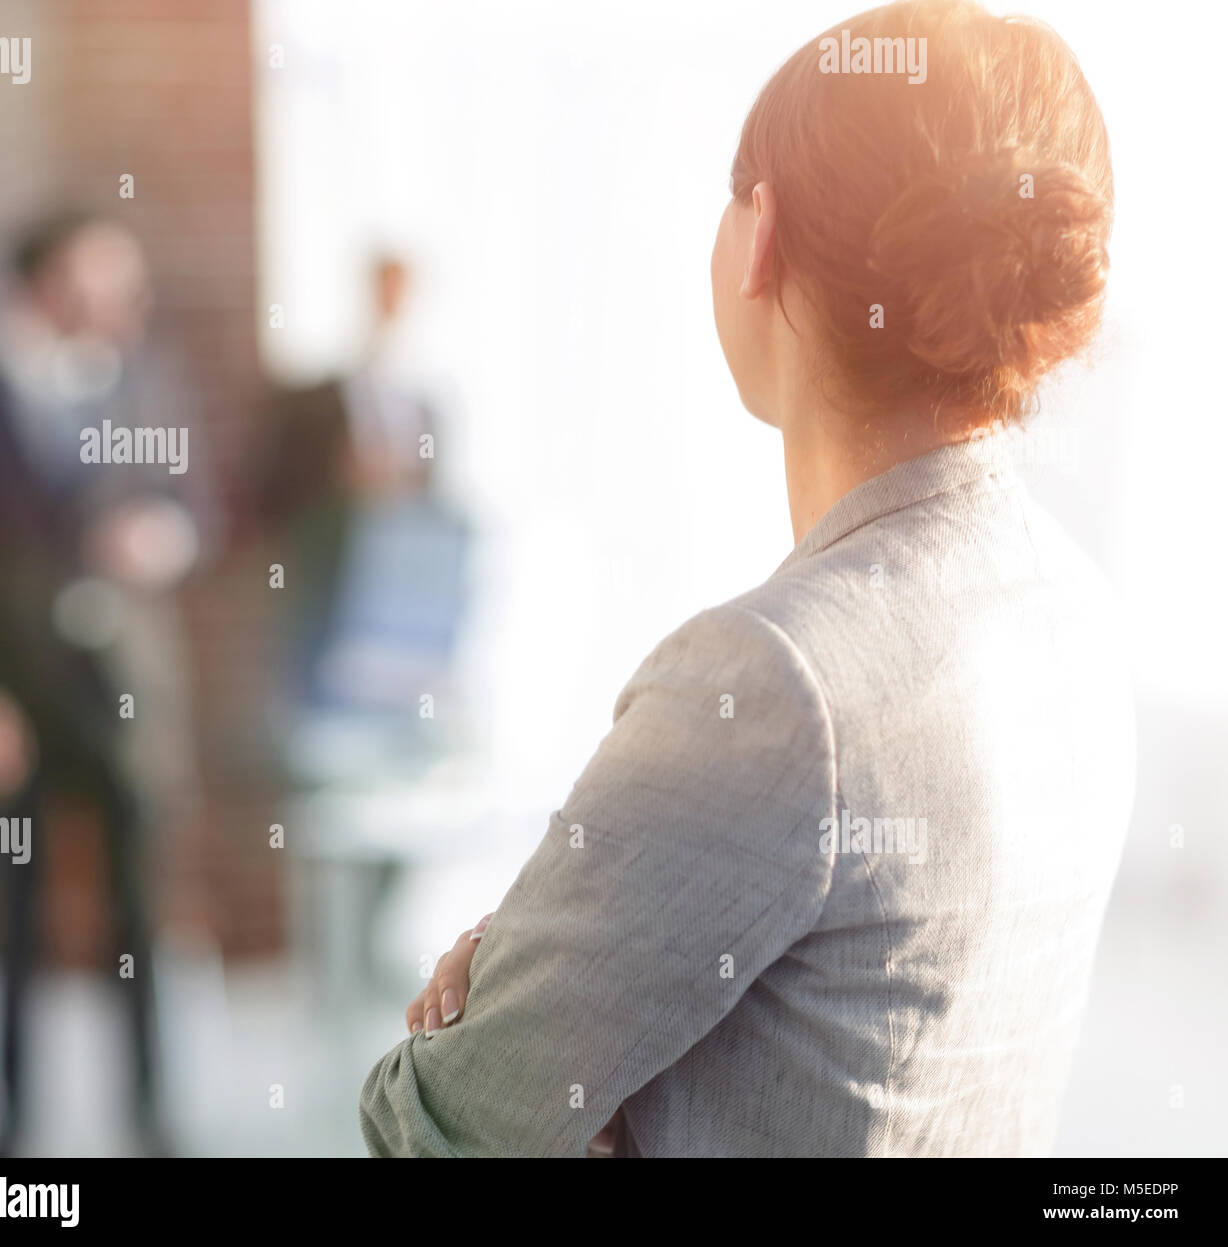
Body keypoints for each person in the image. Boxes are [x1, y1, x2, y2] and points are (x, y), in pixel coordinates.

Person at [358, 0, 1135, 1157]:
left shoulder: (774, 683)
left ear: (758, 234)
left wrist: (522, 1016)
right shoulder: (1074, 613)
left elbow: (434, 1126)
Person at [0, 211, 209, 1156]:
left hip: (124, 696)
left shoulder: (143, 385)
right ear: (48, 285)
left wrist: (161, 539)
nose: (116, 302)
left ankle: (150, 1111)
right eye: (96, 280)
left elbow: (194, 504)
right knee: (10, 919)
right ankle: (8, 1124)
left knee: (139, 915)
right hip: (20, 694)